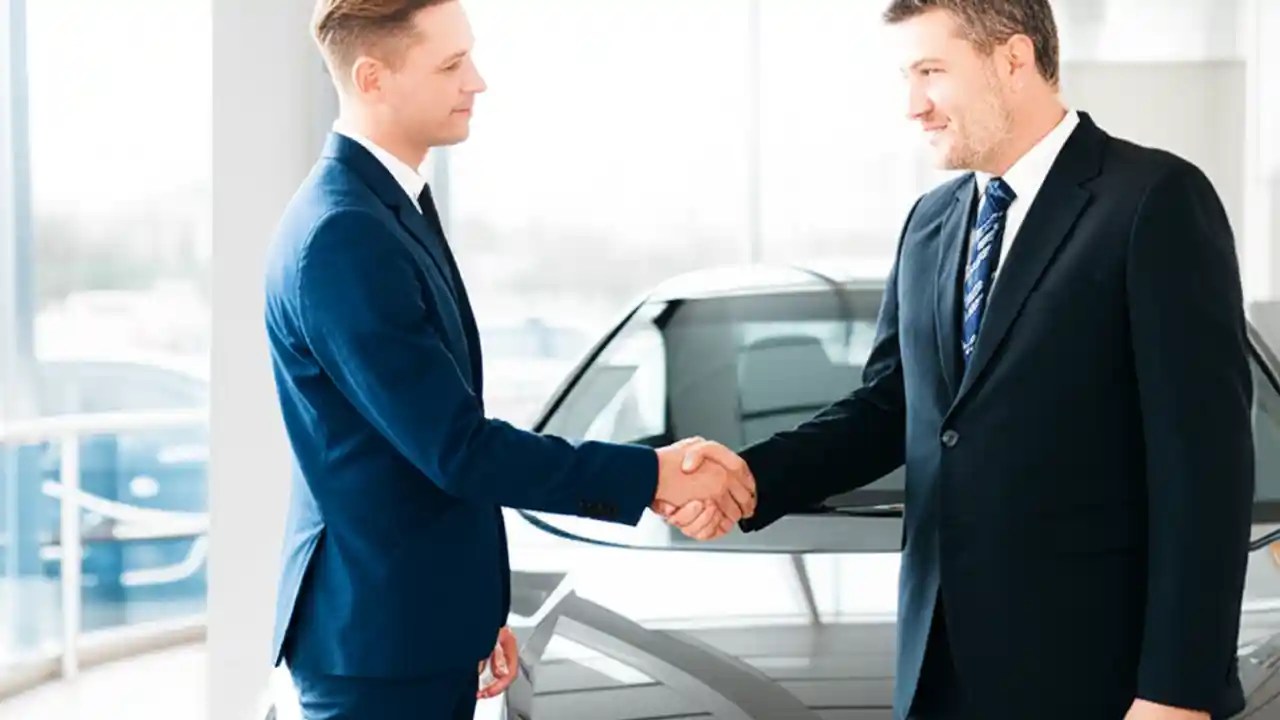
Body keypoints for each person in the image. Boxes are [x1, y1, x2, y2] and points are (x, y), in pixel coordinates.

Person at [667, 1, 1254, 718]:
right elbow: (890, 410)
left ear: (1013, 60)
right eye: (906, 77)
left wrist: (1176, 692)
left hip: (1094, 679)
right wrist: (750, 478)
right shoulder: (931, 221)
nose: (913, 105)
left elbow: (1205, 470)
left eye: (931, 71)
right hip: (937, 672)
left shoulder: (1153, 200)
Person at [262, 1, 753, 717]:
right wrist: (653, 474)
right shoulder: (346, 233)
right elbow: (457, 449)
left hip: (410, 623)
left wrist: (472, 611)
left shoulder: (380, 208)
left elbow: (411, 452)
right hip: (378, 645)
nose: (477, 81)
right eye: (451, 65)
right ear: (373, 78)